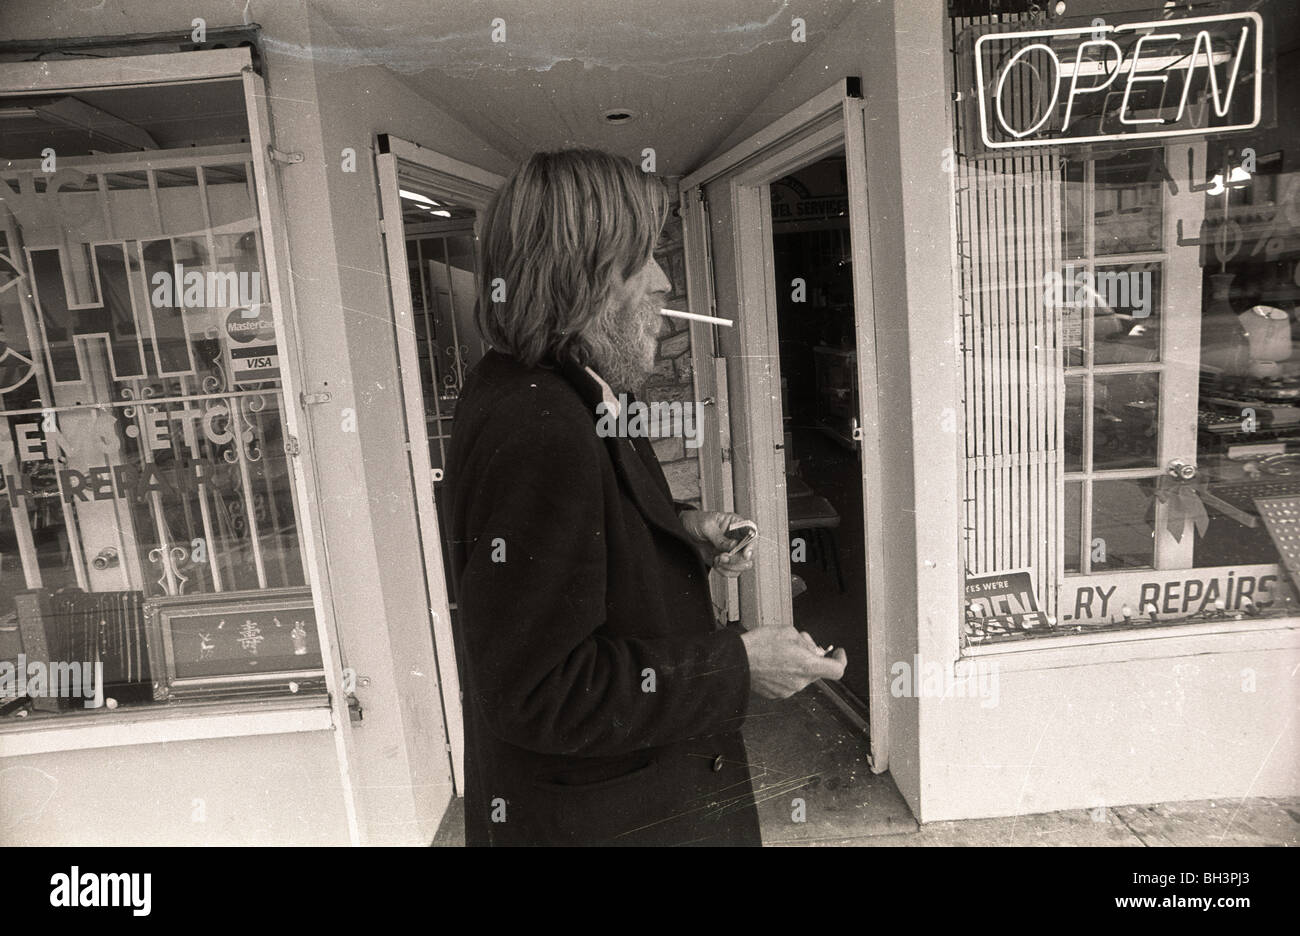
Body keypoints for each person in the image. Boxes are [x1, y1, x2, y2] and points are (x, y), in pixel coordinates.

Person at [446, 148, 847, 846]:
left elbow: (578, 546)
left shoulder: (559, 389)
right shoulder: (541, 426)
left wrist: (683, 529)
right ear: (580, 278)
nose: (664, 281)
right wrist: (742, 664)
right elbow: (538, 691)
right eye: (642, 260)